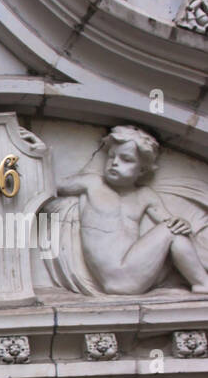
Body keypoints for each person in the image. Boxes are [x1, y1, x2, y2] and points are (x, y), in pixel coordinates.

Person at [56, 124, 208, 295]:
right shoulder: (92, 183)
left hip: (131, 274)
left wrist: (183, 222)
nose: (114, 163)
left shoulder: (145, 195)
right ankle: (203, 282)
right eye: (111, 156)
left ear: (142, 170)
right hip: (115, 275)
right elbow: (52, 187)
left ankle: (202, 282)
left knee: (172, 229)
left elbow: (170, 222)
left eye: (126, 160)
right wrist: (37, 151)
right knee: (170, 230)